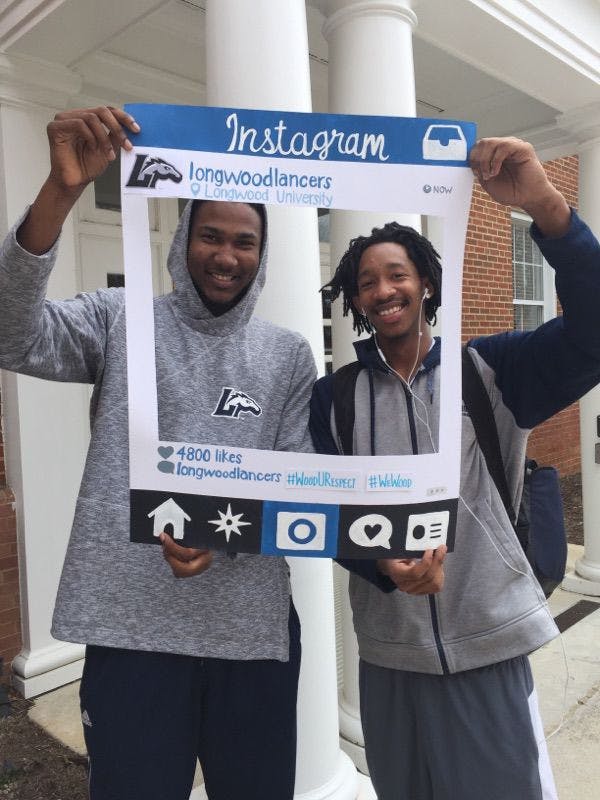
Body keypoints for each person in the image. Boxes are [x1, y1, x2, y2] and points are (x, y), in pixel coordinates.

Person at [0, 107, 317, 800]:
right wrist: (60, 192)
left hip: (248, 637)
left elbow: (297, 486)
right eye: (210, 235)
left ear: (262, 254)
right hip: (131, 634)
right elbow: (10, 334)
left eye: (244, 242)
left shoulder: (288, 355)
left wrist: (222, 535)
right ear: (183, 238)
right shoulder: (121, 320)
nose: (226, 256)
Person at [309, 136, 600, 800]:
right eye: (367, 282)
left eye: (397, 274)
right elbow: (324, 512)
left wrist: (545, 205)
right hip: (389, 660)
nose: (383, 290)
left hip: (487, 648)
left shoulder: (491, 371)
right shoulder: (335, 399)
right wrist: (380, 561)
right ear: (356, 300)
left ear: (427, 284)